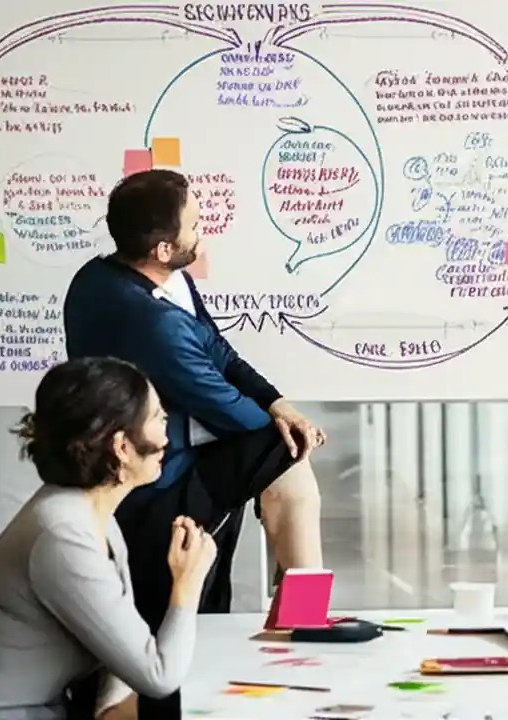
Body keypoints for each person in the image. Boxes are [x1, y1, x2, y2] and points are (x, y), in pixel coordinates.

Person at [63, 169, 323, 717]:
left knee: (288, 464)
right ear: (163, 247)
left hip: (170, 457)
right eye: (196, 225)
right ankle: (306, 621)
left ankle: (303, 616)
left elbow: (219, 350)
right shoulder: (151, 323)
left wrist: (280, 405)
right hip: (156, 482)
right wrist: (283, 430)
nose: (205, 232)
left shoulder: (114, 276)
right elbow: (226, 410)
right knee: (289, 461)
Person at [0, 357, 217, 719]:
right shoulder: (62, 536)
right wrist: (187, 585)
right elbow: (158, 677)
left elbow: (120, 645)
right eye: (159, 419)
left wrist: (109, 710)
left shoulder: (92, 517)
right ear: (122, 447)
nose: (166, 435)